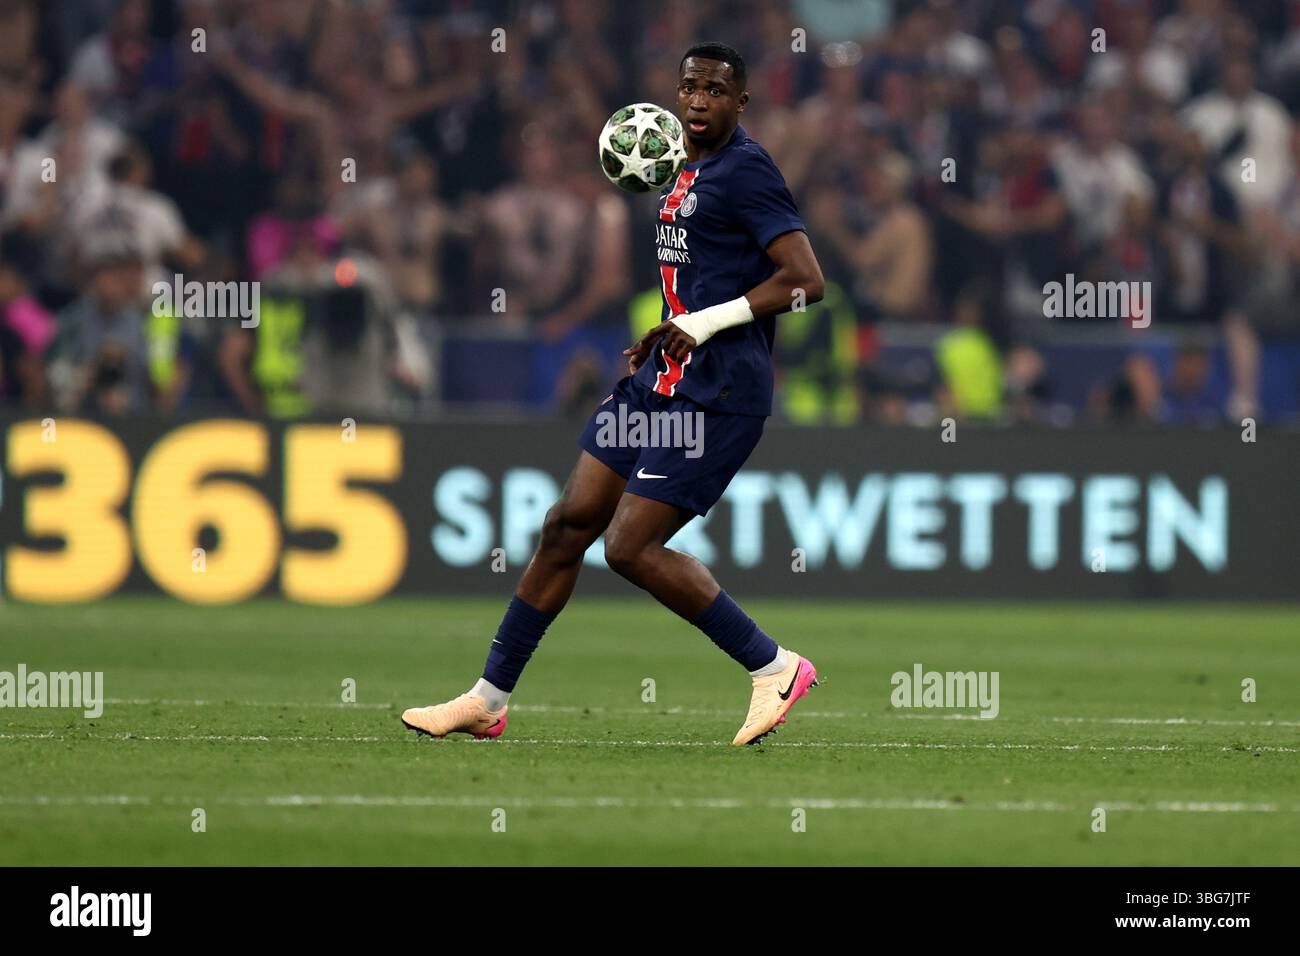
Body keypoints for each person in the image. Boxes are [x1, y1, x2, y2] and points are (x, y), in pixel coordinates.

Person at [402, 43, 826, 747]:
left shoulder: (747, 170)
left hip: (717, 394)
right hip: (660, 380)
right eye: (690, 86)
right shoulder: (676, 164)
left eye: (716, 91)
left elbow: (807, 282)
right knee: (568, 525)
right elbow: (701, 271)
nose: (699, 101)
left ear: (740, 103)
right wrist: (666, 330)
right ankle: (487, 698)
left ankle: (773, 666)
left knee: (629, 547)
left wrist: (702, 323)